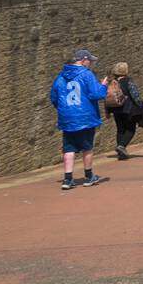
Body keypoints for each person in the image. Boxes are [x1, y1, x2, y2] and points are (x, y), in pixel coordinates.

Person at [49, 48, 108, 190]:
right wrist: (103, 86)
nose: (91, 64)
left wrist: (64, 110)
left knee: (68, 147)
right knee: (87, 147)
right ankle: (88, 176)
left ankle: (67, 179)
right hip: (85, 117)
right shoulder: (86, 74)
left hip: (67, 118)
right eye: (90, 61)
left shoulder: (60, 76)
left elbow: (54, 97)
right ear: (83, 60)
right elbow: (96, 94)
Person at [105, 62, 143, 160]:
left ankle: (121, 153)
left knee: (120, 129)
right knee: (130, 129)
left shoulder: (112, 82)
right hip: (128, 109)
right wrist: (140, 106)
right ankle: (122, 146)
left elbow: (107, 97)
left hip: (115, 109)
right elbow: (135, 95)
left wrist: (107, 111)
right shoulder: (128, 81)